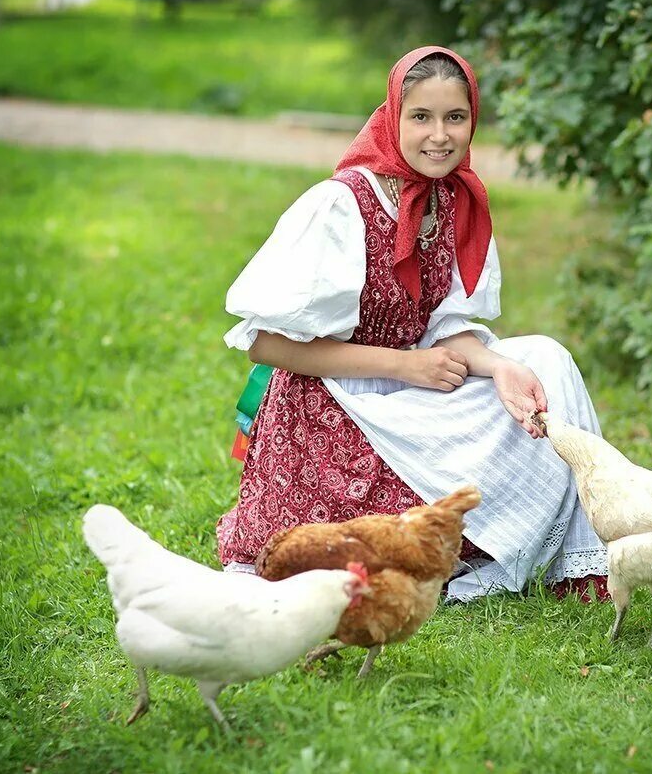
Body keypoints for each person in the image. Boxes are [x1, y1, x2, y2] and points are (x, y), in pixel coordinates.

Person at [216, 46, 607, 601]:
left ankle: (570, 561)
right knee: (365, 555)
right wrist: (407, 365)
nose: (439, 135)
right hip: (331, 406)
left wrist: (497, 366)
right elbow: (267, 344)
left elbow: (446, 325)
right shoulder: (342, 204)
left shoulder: (452, 201)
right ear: (392, 117)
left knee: (543, 358)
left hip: (408, 387)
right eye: (421, 117)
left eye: (456, 118)